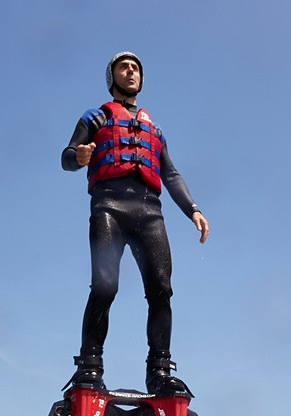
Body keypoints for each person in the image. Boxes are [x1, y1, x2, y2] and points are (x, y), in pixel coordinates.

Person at [61, 51, 209, 396]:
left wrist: (193, 210)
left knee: (161, 290)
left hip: (149, 212)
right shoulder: (95, 117)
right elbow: (67, 157)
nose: (131, 71)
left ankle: (159, 369)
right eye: (123, 67)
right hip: (109, 205)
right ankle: (89, 367)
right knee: (105, 286)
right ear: (112, 77)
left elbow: (170, 174)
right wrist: (79, 156)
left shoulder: (154, 129)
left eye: (135, 68)